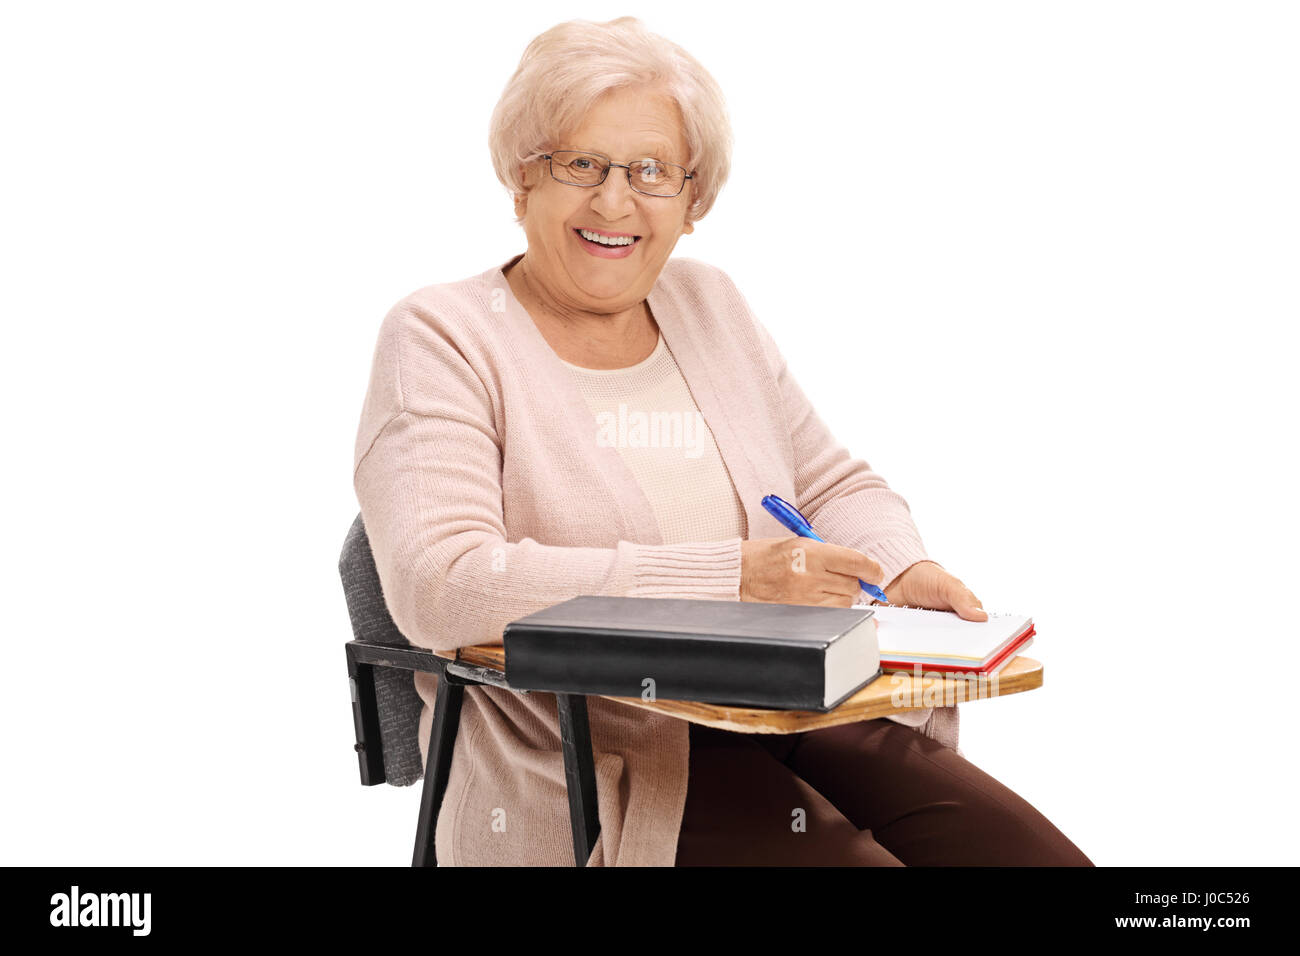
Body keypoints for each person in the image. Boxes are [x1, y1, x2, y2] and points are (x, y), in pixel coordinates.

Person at [352, 16, 1092, 866]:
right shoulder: (441, 336)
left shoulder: (711, 307)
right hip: (604, 755)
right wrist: (733, 575)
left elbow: (832, 486)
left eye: (652, 171)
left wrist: (896, 565)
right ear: (521, 181)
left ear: (691, 201)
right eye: (580, 164)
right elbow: (439, 586)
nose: (615, 201)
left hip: (796, 709)